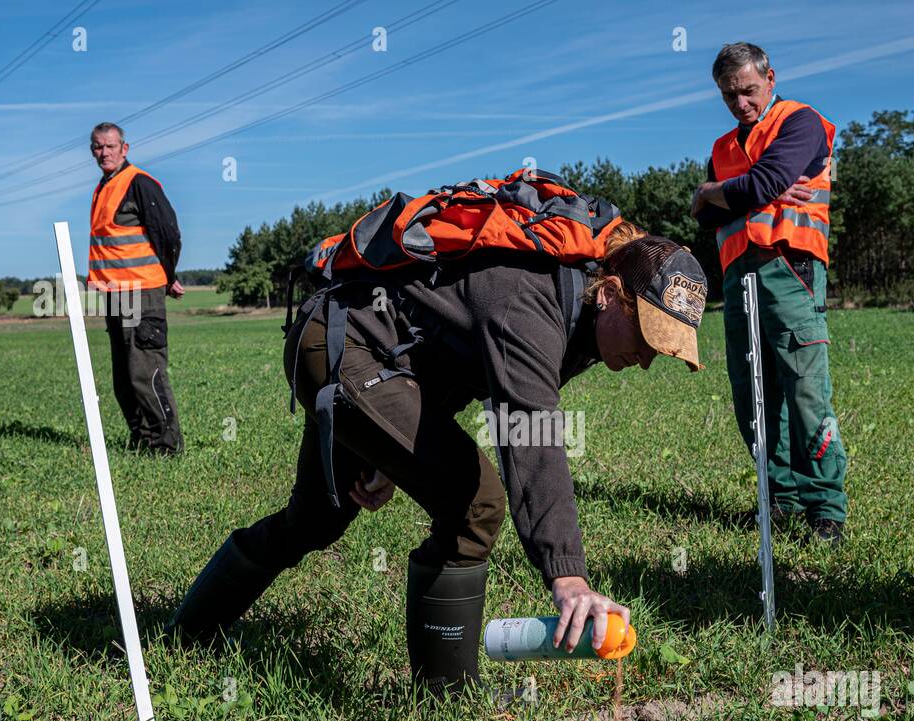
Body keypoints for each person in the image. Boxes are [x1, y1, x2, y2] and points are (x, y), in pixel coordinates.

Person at [168, 219, 708, 696]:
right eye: (646, 337)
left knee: (316, 518)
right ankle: (446, 696)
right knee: (476, 503)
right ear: (611, 293)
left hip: (380, 359)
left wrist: (389, 450)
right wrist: (568, 576)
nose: (644, 360)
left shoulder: (581, 321)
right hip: (339, 346)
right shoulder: (532, 300)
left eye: (661, 348)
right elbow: (530, 432)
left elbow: (456, 360)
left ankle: (185, 634)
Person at [691, 42, 848, 543]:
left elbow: (765, 183)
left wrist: (719, 190)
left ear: (771, 78)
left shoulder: (799, 122)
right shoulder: (722, 148)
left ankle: (825, 509)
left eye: (748, 90)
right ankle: (778, 499)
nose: (740, 103)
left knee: (804, 391)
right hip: (738, 276)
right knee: (753, 394)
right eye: (729, 95)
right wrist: (726, 194)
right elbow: (706, 214)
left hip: (792, 267)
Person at [87, 121, 185, 455]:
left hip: (141, 293)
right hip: (114, 294)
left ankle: (166, 446)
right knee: (124, 378)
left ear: (124, 148)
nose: (104, 152)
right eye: (98, 147)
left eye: (110, 146)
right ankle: (142, 440)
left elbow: (168, 234)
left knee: (146, 373)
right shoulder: (104, 187)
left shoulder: (139, 183)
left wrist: (168, 275)